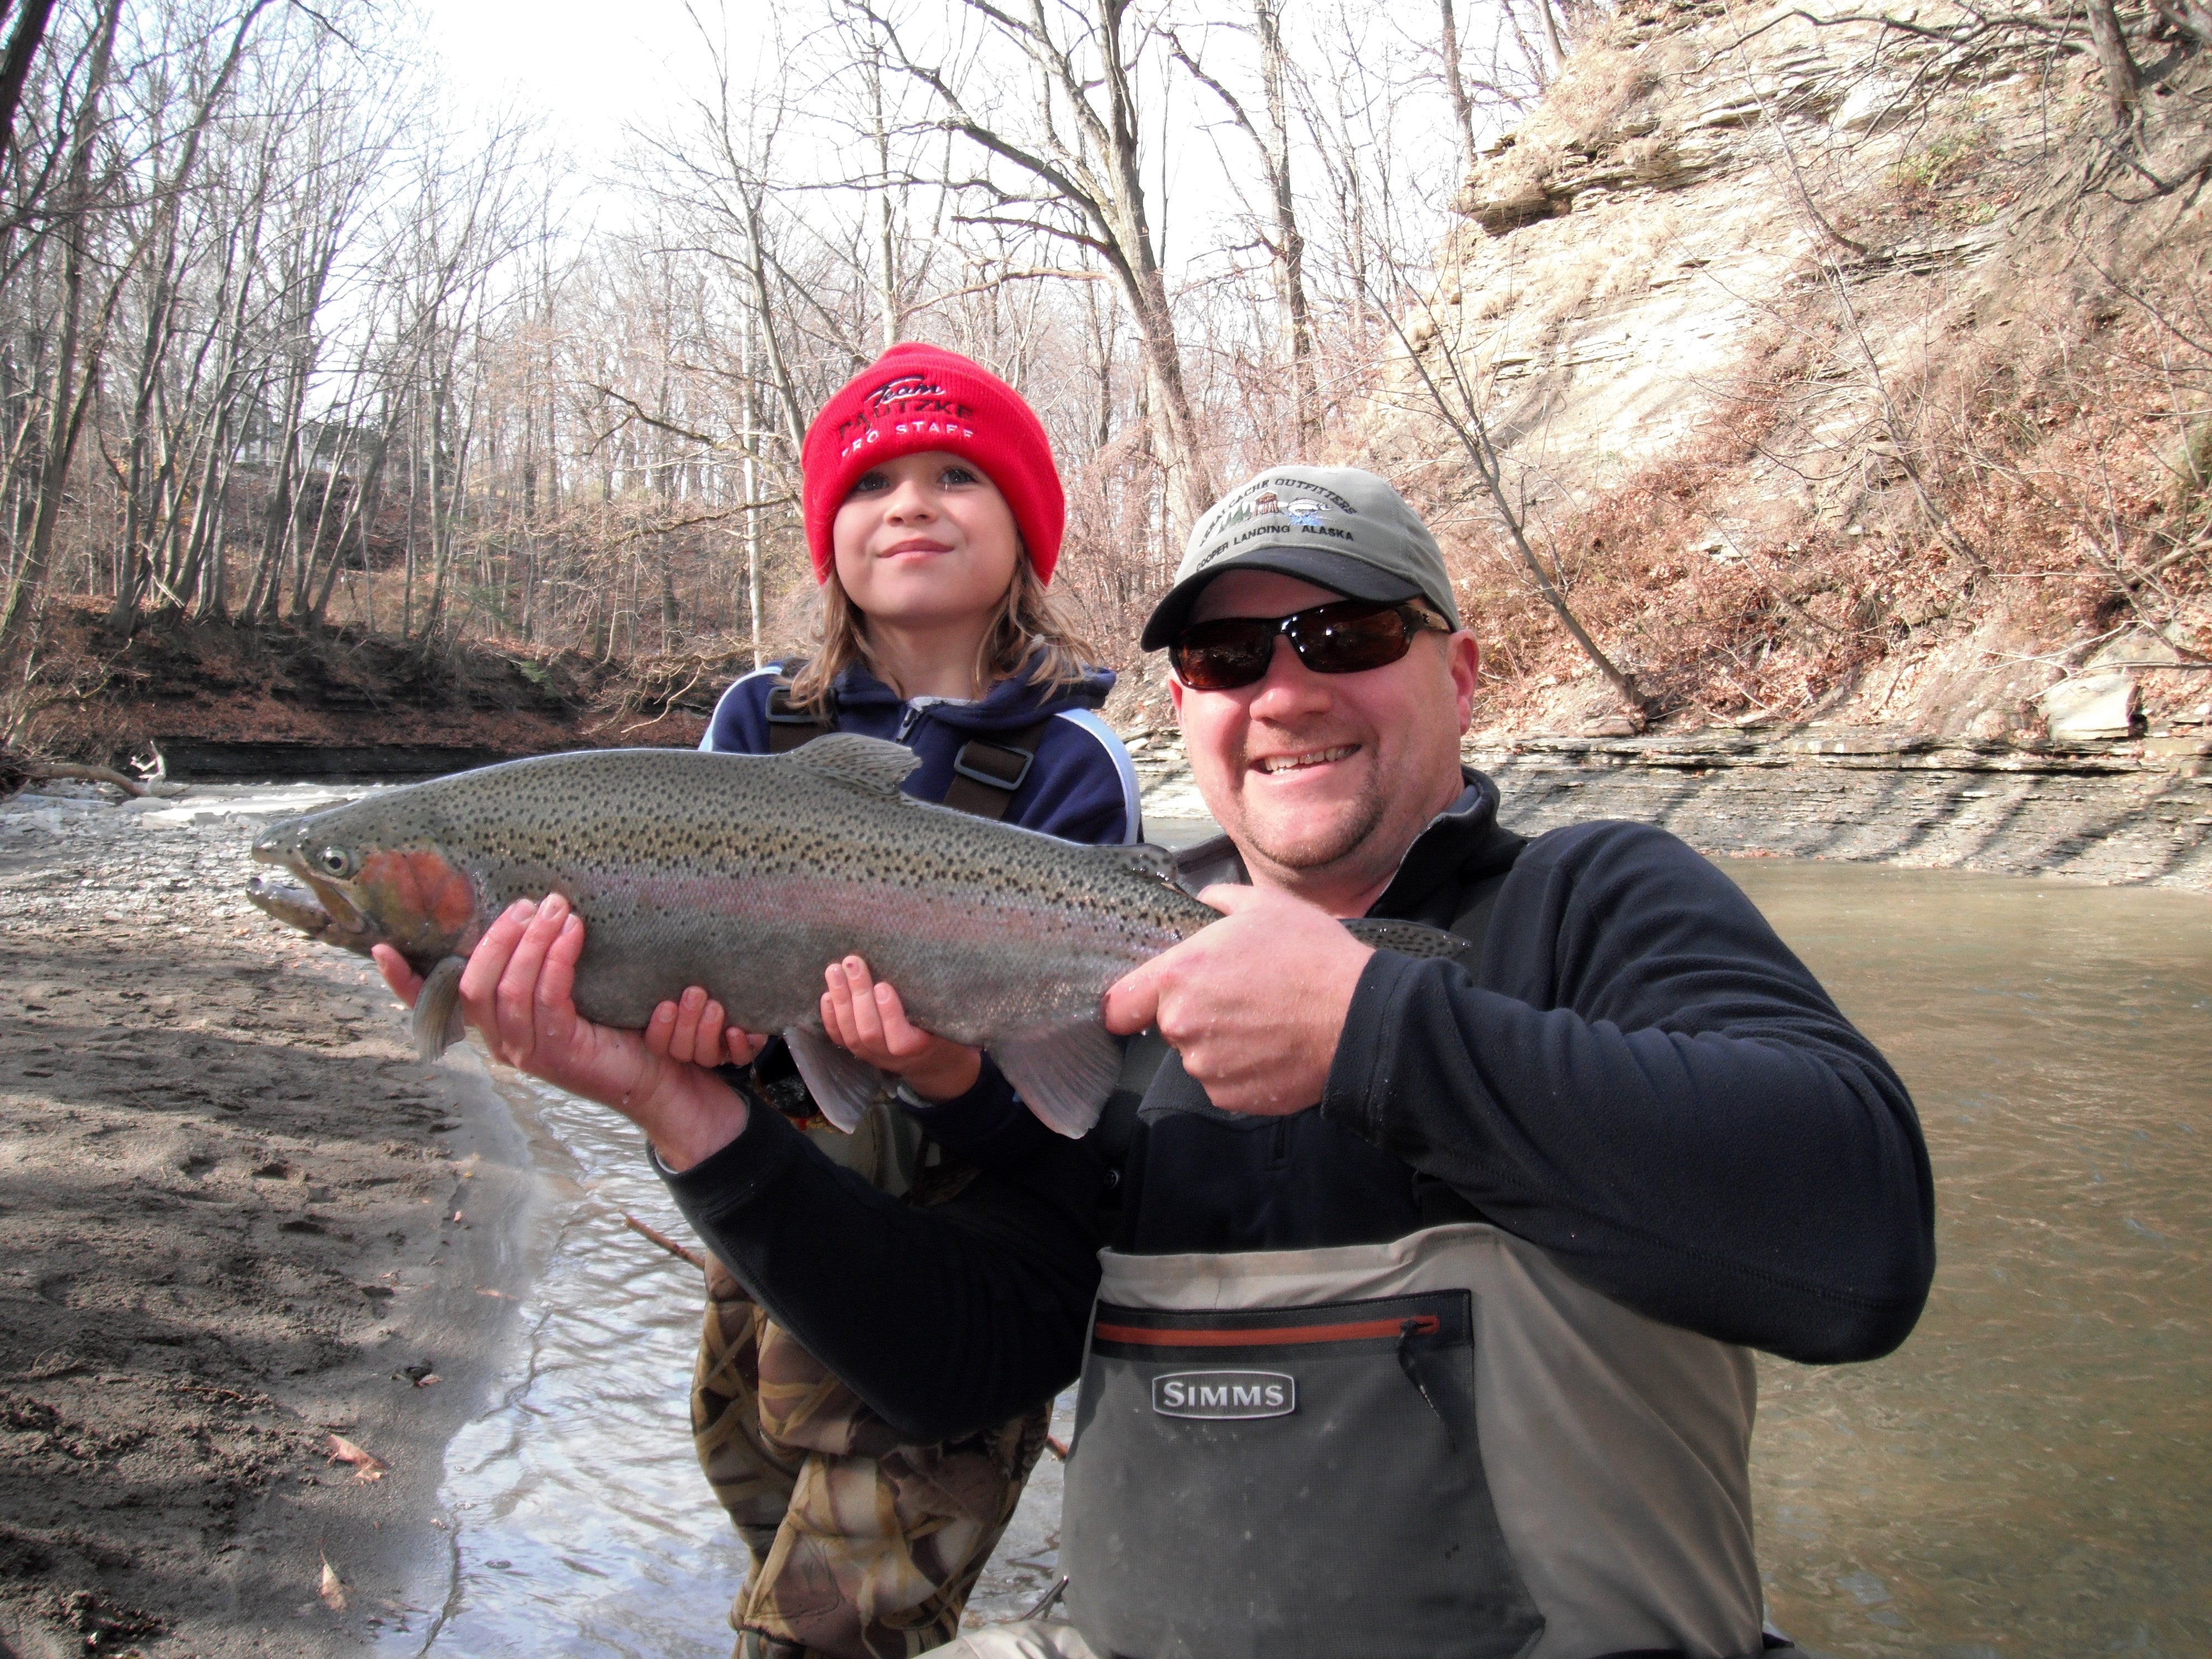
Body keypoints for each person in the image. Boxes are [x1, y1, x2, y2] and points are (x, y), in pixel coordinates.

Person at [382, 466, 1936, 1659]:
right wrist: (688, 1117)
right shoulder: (1121, 975)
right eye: (1226, 651)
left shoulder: (1595, 901)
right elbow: (968, 1361)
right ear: (1183, 706)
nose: (1285, 689)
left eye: (1348, 634)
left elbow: (1856, 1246)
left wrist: (1371, 1027)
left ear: (1460, 677)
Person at [686, 342, 1140, 1659]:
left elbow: (1067, 1116)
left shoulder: (1071, 758)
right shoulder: (752, 723)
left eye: (957, 475)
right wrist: (699, 1055)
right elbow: (702, 984)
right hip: (773, 1206)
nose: (911, 506)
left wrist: (943, 1072)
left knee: (829, 1626)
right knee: (751, 1488)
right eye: (872, 483)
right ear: (828, 534)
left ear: (1024, 529)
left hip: (965, 1248)